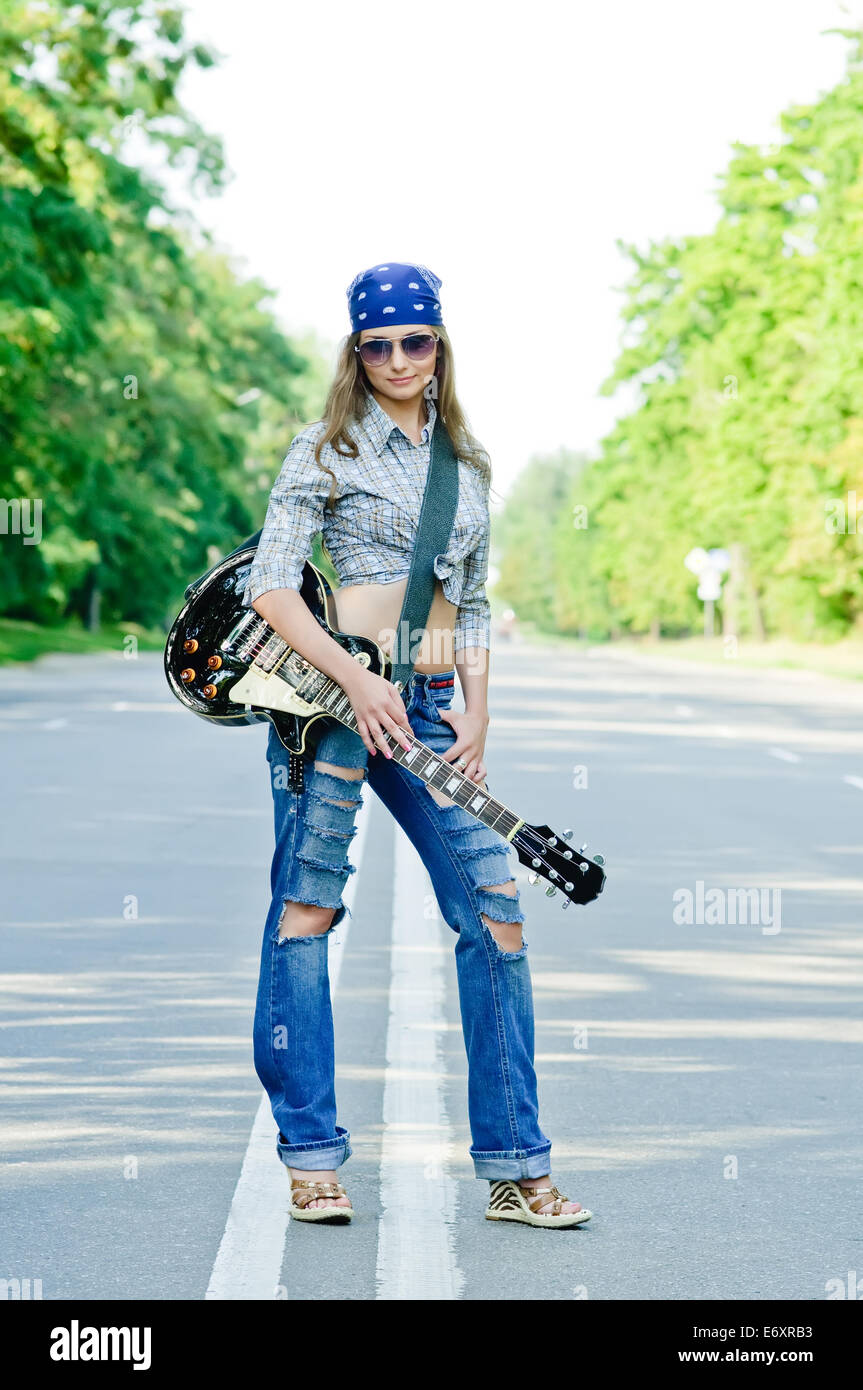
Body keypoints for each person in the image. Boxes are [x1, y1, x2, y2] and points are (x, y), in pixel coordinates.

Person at [243, 261, 592, 1230]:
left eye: (416, 340)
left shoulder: (467, 463)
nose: (399, 357)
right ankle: (310, 1153)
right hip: (327, 703)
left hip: (433, 704)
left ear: (440, 346)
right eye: (379, 343)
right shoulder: (324, 450)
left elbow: (470, 599)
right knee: (306, 912)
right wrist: (354, 678)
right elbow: (271, 588)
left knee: (496, 913)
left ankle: (515, 1165)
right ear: (357, 353)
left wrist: (478, 705)